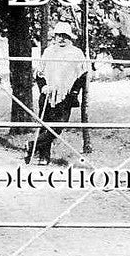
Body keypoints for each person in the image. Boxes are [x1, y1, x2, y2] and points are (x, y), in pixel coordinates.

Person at [26, 22, 88, 164]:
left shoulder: (76, 53)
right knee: (45, 125)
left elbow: (82, 75)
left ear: (70, 37)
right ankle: (44, 157)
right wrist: (43, 86)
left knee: (58, 126)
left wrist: (74, 92)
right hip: (48, 93)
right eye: (58, 35)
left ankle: (31, 145)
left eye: (64, 36)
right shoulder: (48, 51)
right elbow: (39, 73)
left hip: (65, 95)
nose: (61, 39)